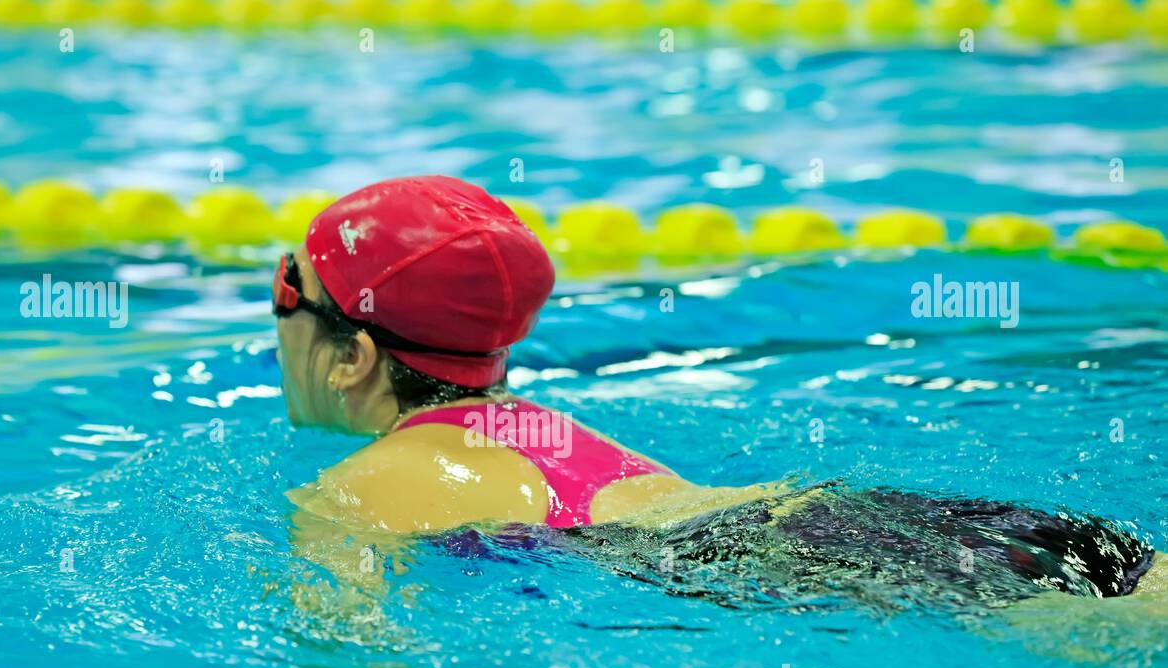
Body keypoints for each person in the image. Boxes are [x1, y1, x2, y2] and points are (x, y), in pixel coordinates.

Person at [273, 175, 1161, 610]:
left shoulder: (358, 488)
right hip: (865, 518)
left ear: (352, 356)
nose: (275, 317)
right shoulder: (544, 431)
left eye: (289, 291)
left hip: (786, 561)